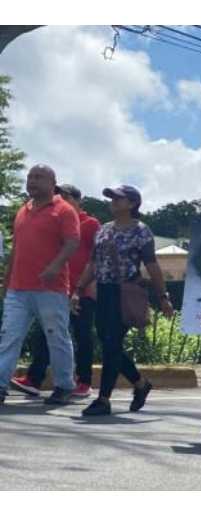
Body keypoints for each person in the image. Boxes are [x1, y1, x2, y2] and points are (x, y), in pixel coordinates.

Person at [73, 185, 174, 416]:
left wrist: (163, 297)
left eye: (118, 198)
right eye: (112, 198)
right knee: (108, 342)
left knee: (111, 342)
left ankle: (103, 399)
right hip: (103, 291)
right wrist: (78, 289)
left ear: (132, 203)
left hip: (126, 292)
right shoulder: (103, 230)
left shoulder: (141, 231)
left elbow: (151, 265)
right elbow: (93, 264)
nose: (113, 202)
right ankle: (140, 383)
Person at [9, 184, 100, 399]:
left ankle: (84, 381)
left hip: (81, 289)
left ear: (77, 200)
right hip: (56, 288)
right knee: (46, 334)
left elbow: (97, 257)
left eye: (66, 196)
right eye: (59, 195)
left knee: (81, 335)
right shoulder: (56, 219)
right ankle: (34, 379)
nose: (61, 199)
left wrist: (88, 285)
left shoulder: (90, 224)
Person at [0, 165, 80, 406]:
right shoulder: (22, 210)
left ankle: (64, 386)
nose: (32, 181)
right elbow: (16, 249)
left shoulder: (64, 210)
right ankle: (0, 386)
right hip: (18, 289)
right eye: (30, 177)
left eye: (38, 177)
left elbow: (73, 242)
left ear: (52, 183)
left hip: (51, 289)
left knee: (57, 338)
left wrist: (55, 266)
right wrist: (6, 281)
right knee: (9, 337)